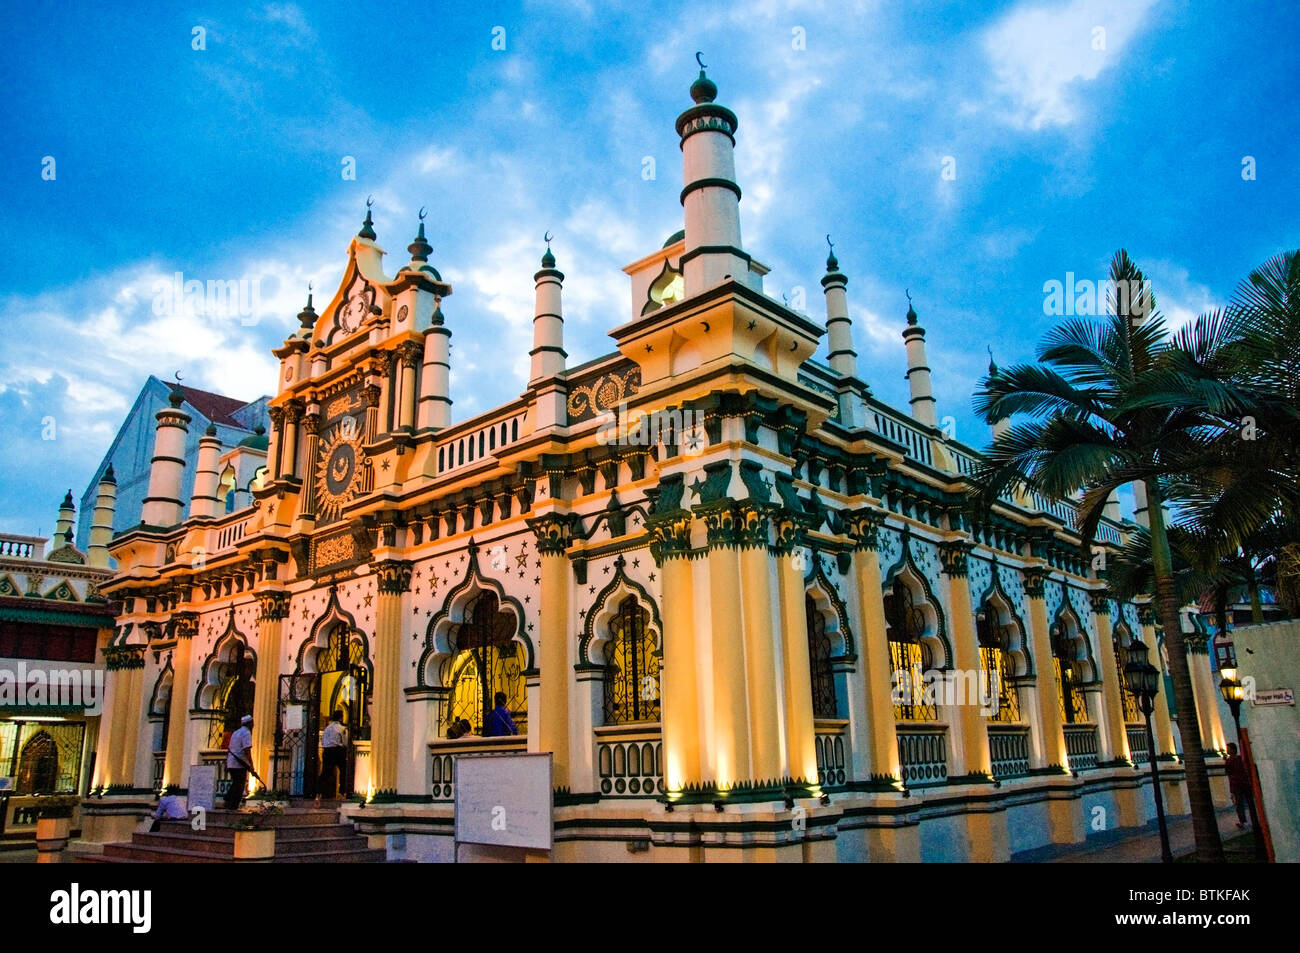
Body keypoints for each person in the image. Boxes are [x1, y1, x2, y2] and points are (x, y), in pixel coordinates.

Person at [315, 710, 349, 805]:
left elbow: (323, 741)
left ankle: (318, 793)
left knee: (325, 772)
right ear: (341, 718)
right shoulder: (342, 729)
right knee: (343, 771)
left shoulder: (327, 728)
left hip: (327, 751)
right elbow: (345, 742)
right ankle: (342, 793)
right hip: (338, 751)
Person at [224, 714, 254, 810]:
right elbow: (247, 750)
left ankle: (228, 800)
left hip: (231, 762)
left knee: (236, 782)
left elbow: (230, 748)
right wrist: (251, 764)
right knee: (239, 784)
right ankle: (233, 805)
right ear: (249, 723)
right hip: (239, 763)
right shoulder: (246, 733)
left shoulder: (236, 732)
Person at [1224, 742, 1251, 829]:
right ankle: (1247, 820)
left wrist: (1231, 789)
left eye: (1228, 748)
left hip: (1237, 784)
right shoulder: (1240, 759)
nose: (1227, 750)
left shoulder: (1230, 761)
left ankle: (1243, 821)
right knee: (1247, 802)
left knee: (1239, 804)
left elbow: (1229, 774)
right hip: (1243, 783)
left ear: (1232, 750)